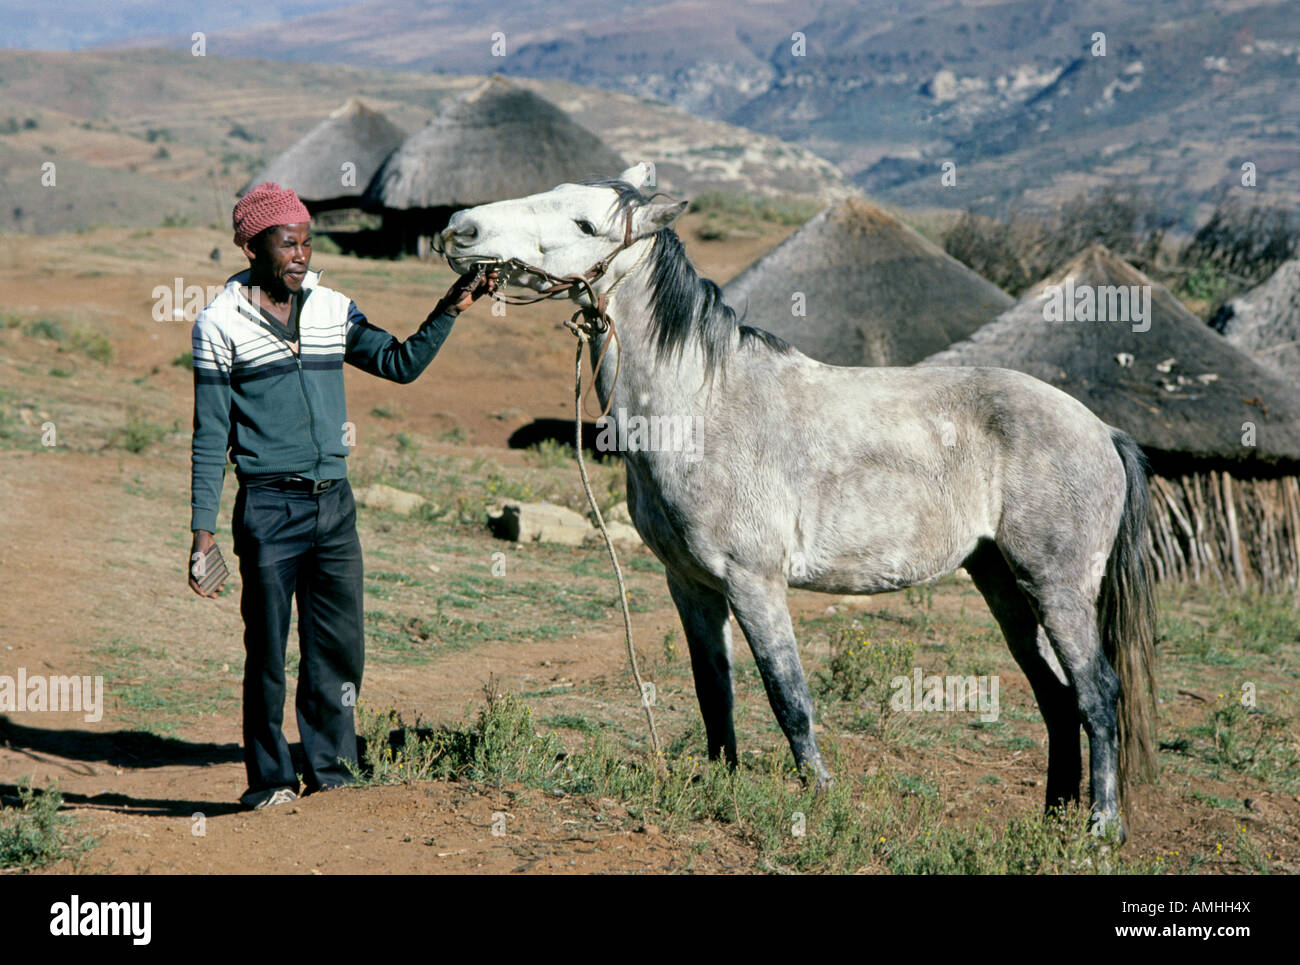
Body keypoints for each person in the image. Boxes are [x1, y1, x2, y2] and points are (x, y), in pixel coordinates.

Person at [186, 182, 496, 809]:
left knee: (338, 647)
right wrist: (203, 533)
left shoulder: (333, 309)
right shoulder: (218, 324)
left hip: (334, 506)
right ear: (252, 246)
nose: (300, 254)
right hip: (269, 507)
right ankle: (270, 780)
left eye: (307, 242)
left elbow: (401, 362)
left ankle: (332, 772)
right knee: (268, 651)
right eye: (287, 243)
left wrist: (450, 308)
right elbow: (209, 433)